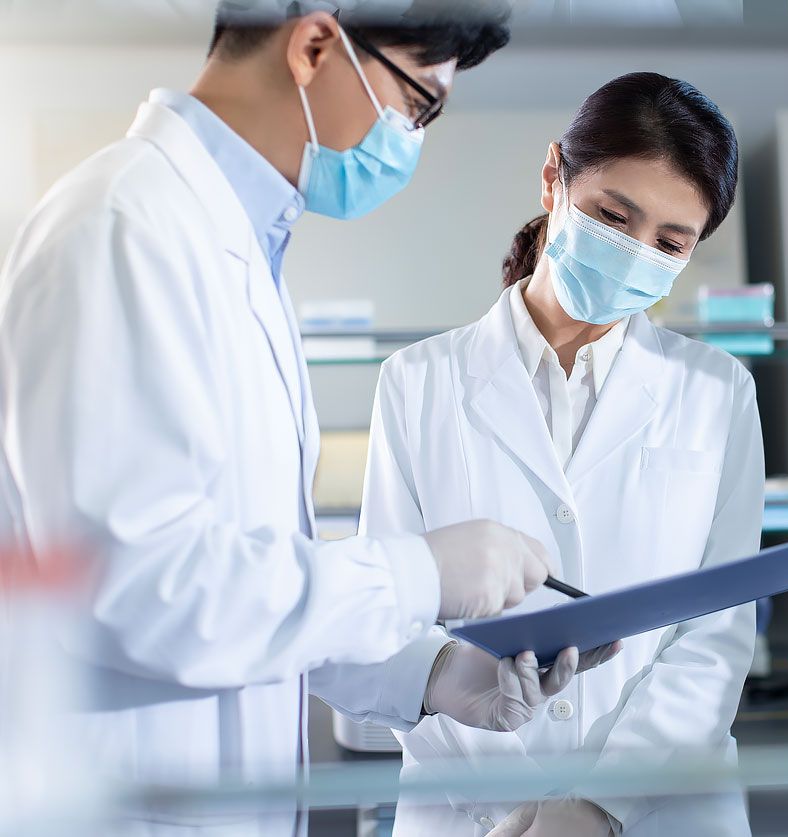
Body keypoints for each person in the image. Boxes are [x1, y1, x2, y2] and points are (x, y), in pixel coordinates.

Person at [0, 2, 614, 834]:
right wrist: (419, 573)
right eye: (416, 102)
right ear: (316, 44)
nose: (412, 137)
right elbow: (143, 588)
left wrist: (432, 671)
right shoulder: (124, 228)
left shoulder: (232, 245)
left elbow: (246, 582)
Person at [360, 72, 762, 836]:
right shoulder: (416, 384)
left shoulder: (716, 392)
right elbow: (393, 621)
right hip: (472, 813)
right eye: (614, 216)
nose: (635, 253)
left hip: (663, 809)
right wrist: (515, 807)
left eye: (669, 243)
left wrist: (597, 805)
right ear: (554, 178)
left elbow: (713, 637)